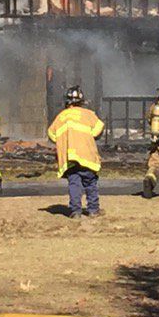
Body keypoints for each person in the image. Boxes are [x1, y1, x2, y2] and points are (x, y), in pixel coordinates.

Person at [47, 85, 104, 219]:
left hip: (70, 157)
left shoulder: (61, 116)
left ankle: (76, 211)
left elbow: (52, 134)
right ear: (81, 101)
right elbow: (98, 129)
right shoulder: (88, 114)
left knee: (74, 184)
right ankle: (93, 210)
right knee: (90, 183)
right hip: (87, 156)